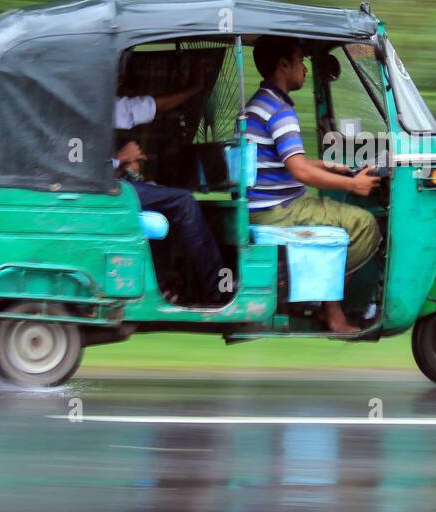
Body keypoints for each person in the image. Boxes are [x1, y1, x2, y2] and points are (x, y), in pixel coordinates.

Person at [245, 36, 380, 333]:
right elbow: (298, 170)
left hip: (266, 206)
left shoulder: (260, 104)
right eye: (300, 61)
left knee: (347, 219)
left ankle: (326, 304)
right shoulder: (279, 110)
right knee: (364, 225)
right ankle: (330, 310)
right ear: (283, 66)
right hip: (280, 210)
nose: (305, 69)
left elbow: (290, 161)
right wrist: (353, 185)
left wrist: (330, 166)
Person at [114, 73, 227, 305]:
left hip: (109, 185)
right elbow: (78, 165)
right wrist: (120, 158)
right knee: (184, 202)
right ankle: (217, 291)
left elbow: (141, 108)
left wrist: (123, 166)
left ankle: (162, 284)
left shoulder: (87, 104)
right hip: (101, 192)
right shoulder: (88, 107)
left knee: (160, 193)